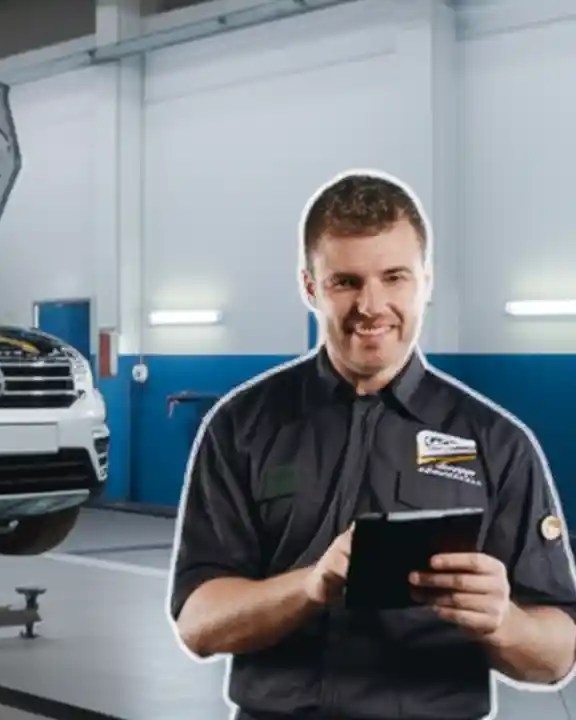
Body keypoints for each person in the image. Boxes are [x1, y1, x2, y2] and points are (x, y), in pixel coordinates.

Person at [165, 169, 576, 720]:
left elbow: (556, 655)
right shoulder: (241, 426)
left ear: (425, 282)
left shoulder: (496, 444)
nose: (372, 305)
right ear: (311, 287)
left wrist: (504, 619)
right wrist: (309, 587)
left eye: (395, 277)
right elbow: (197, 623)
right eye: (346, 282)